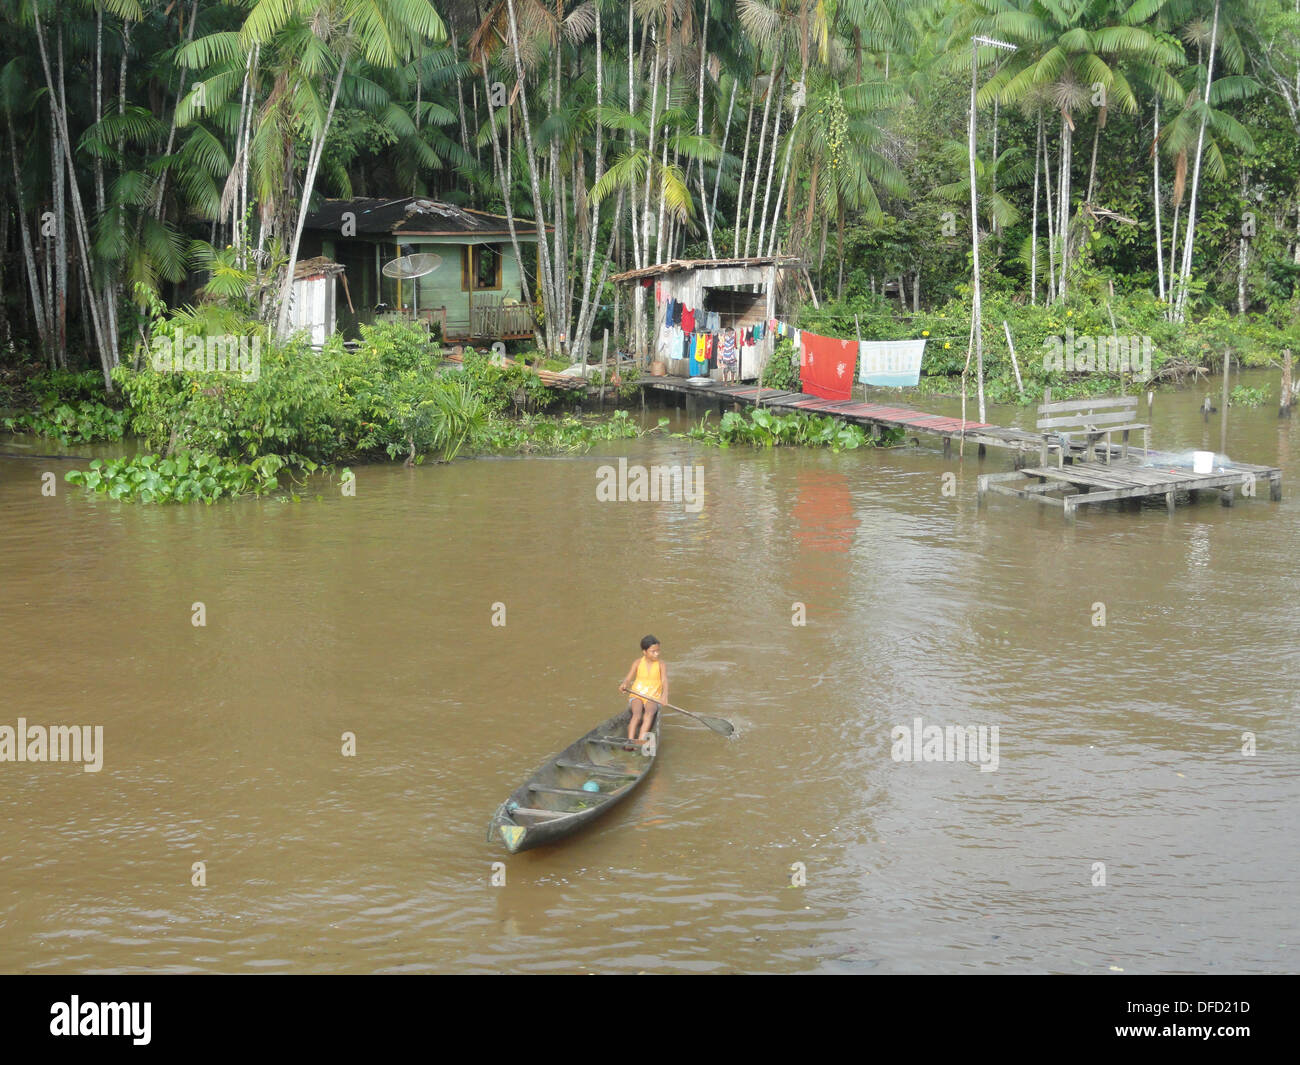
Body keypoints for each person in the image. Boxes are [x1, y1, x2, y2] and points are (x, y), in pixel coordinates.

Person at [618, 635, 668, 746]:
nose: (657, 654)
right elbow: (628, 678)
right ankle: (630, 741)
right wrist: (624, 684)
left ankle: (640, 741)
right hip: (637, 694)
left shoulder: (661, 664)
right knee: (637, 715)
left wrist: (664, 696)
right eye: (653, 651)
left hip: (652, 697)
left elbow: (664, 680)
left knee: (649, 713)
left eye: (658, 651)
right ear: (644, 652)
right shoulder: (637, 663)